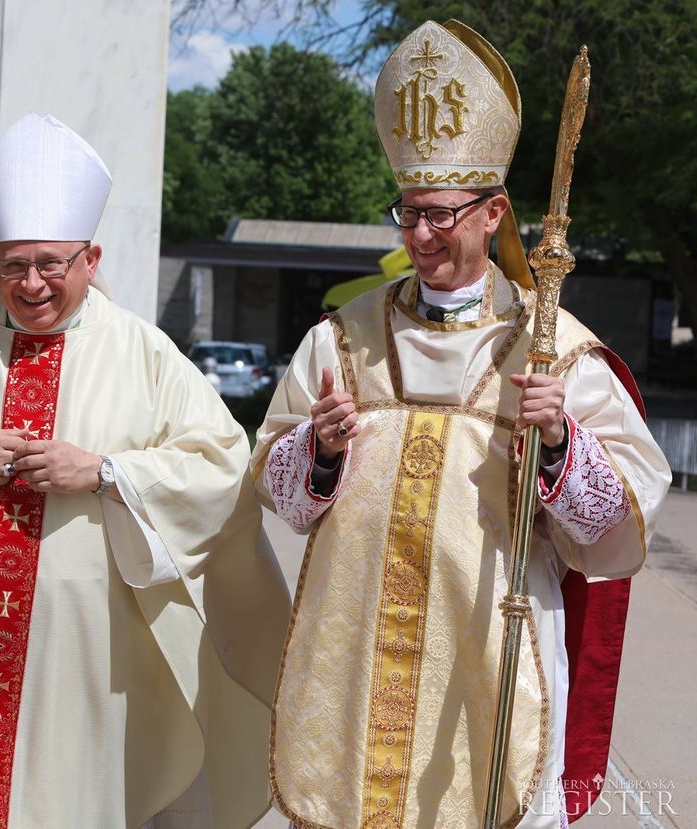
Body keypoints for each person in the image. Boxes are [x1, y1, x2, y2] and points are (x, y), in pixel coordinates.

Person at [254, 21, 671, 829]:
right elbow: (279, 486)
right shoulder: (340, 339)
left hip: (491, 649)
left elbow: (623, 515)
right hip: (356, 656)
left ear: (493, 213)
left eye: (441, 215)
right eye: (408, 213)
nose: (419, 235)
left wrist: (560, 444)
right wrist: (318, 451)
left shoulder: (554, 348)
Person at [0, 113, 289, 829]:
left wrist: (106, 473)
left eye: (52, 263)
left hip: (93, 656)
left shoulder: (144, 354)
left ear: (91, 257)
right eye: (13, 265)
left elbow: (219, 466)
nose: (32, 284)